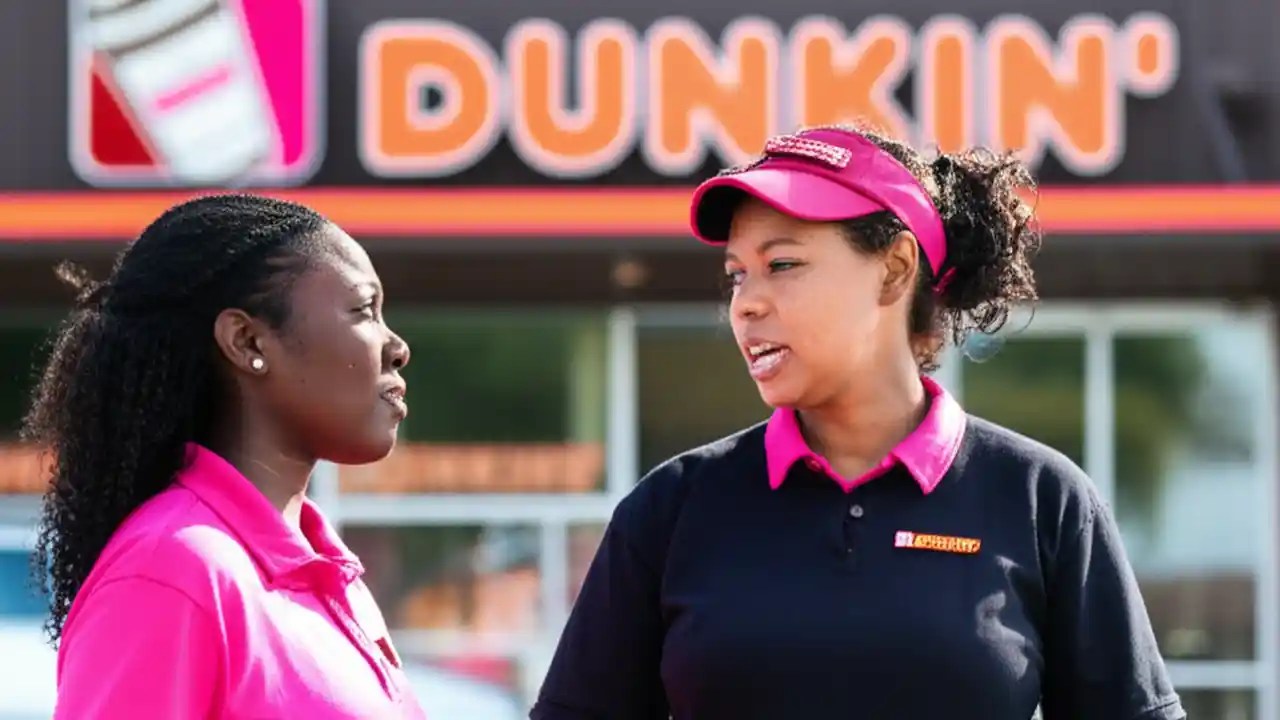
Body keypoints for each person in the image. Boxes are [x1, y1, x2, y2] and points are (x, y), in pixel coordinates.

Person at [531, 125, 1185, 719]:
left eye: (782, 265)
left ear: (894, 270)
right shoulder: (670, 510)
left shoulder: (1042, 500)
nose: (746, 305)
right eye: (736, 276)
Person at [23, 194, 426, 719]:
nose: (397, 347)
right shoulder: (171, 569)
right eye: (363, 311)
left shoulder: (330, 577)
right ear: (246, 339)